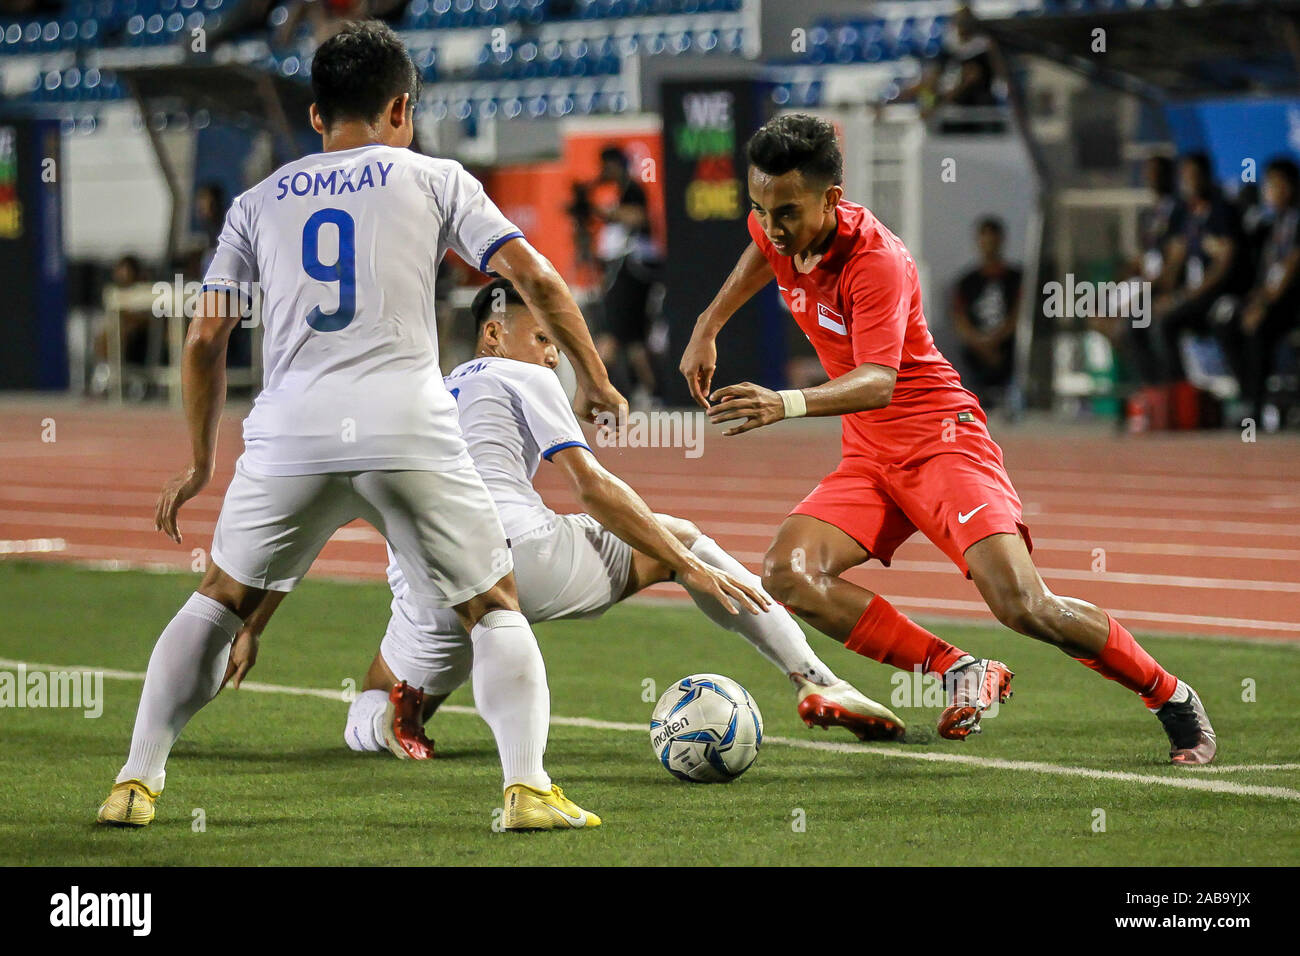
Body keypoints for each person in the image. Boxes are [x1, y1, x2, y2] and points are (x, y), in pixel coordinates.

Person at [96, 21, 627, 832]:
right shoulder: (436, 178)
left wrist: (201, 462)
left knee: (222, 597)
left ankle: (136, 780)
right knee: (492, 604)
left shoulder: (255, 202)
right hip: (406, 424)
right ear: (401, 108)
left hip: (291, 432)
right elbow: (536, 275)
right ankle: (526, 790)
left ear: (315, 117)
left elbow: (205, 337)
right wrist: (594, 375)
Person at [679, 113, 1216, 765]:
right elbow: (759, 256)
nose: (771, 227)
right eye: (759, 208)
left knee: (1023, 604)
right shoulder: (779, 225)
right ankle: (957, 669)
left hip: (941, 442)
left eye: (785, 212)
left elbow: (879, 381)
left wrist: (784, 403)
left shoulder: (877, 260)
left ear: (832, 199)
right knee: (788, 574)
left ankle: (1171, 695)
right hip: (869, 456)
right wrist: (707, 324)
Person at [232, 278, 903, 759]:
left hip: (431, 584)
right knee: (685, 538)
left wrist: (250, 623)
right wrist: (685, 562)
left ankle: (389, 727)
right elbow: (594, 489)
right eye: (544, 338)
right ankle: (817, 681)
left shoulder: (425, 395)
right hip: (520, 558)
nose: (553, 354)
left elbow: (311, 519)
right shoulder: (521, 376)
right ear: (494, 335)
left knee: (377, 697)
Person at [1224, 157, 1300, 427]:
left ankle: (1254, 406)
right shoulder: (1272, 224)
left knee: (1258, 326)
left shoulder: (1297, 222)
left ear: (1290, 187)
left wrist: (1263, 304)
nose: (1270, 191)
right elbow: (1268, 270)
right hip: (1270, 298)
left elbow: (1290, 268)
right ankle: (1246, 393)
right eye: (1268, 185)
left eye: (1276, 185)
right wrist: (1254, 298)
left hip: (1290, 303)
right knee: (1228, 320)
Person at [594, 144, 662, 405]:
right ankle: (649, 391)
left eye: (608, 166)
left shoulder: (632, 189)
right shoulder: (618, 191)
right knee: (630, 338)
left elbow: (638, 218)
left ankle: (601, 391)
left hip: (631, 269)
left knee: (620, 335)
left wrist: (607, 212)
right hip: (622, 268)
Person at [951, 215, 1021, 407]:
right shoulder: (966, 282)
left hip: (1009, 346)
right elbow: (959, 319)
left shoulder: (1017, 278)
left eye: (993, 239)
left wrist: (996, 340)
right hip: (974, 350)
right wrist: (979, 343)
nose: (989, 244)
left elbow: (1020, 313)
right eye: (985, 239)